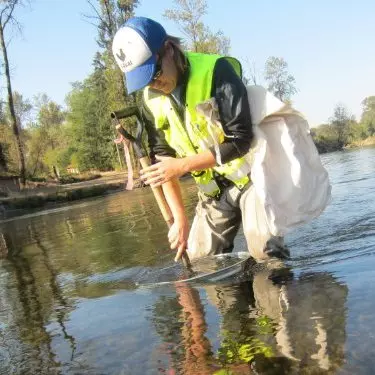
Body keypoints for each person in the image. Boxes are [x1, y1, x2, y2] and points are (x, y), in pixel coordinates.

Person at [112, 17, 293, 263]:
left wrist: (183, 165)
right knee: (201, 262)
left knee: (266, 253)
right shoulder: (150, 98)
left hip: (250, 179)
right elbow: (164, 164)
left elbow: (240, 140)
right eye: (145, 81)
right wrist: (179, 219)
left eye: (154, 73)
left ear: (169, 49)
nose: (155, 84)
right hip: (212, 193)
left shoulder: (217, 71)